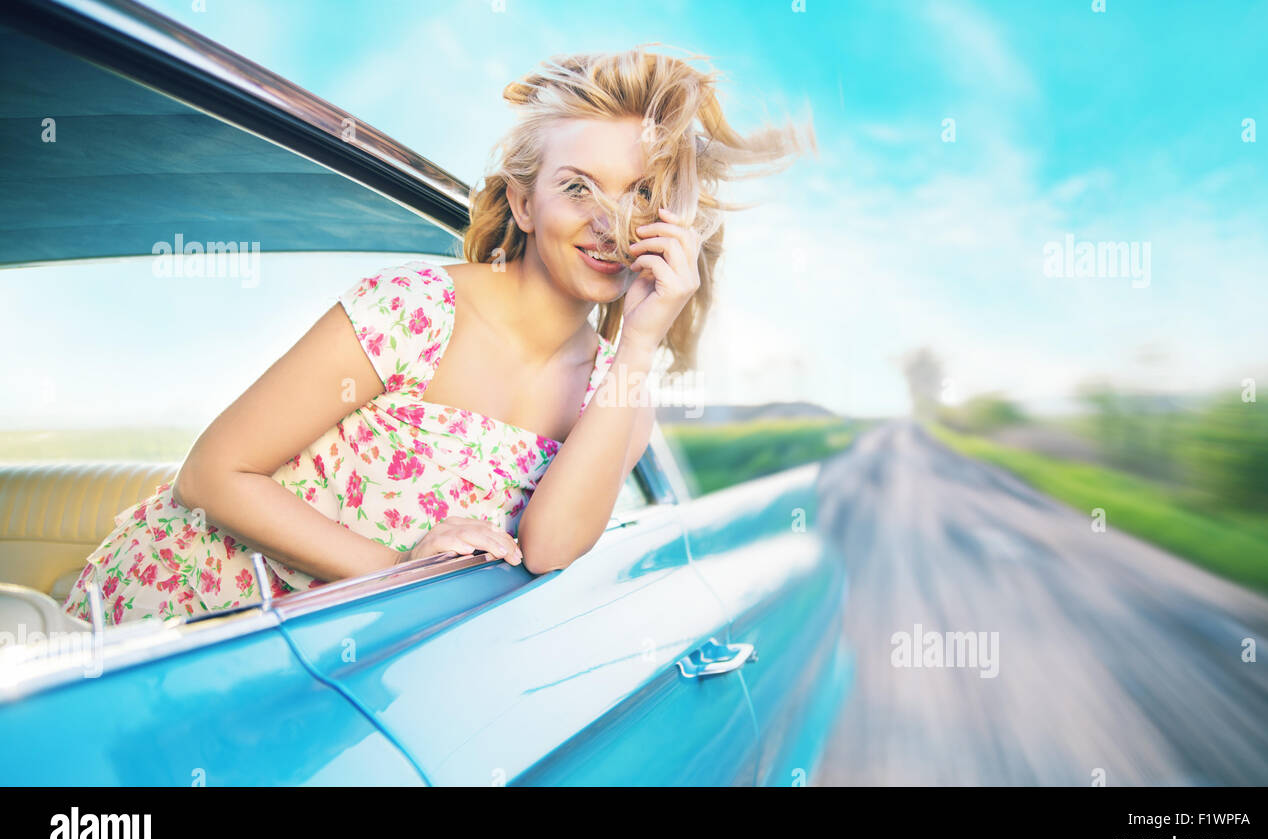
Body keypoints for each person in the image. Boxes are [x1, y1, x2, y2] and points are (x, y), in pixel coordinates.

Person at [62, 44, 812, 627]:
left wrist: (644, 337)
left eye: (640, 192)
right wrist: (399, 564)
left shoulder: (625, 396)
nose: (609, 224)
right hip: (180, 620)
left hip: (333, 664)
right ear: (522, 202)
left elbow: (549, 547)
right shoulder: (413, 311)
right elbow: (212, 475)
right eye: (577, 186)